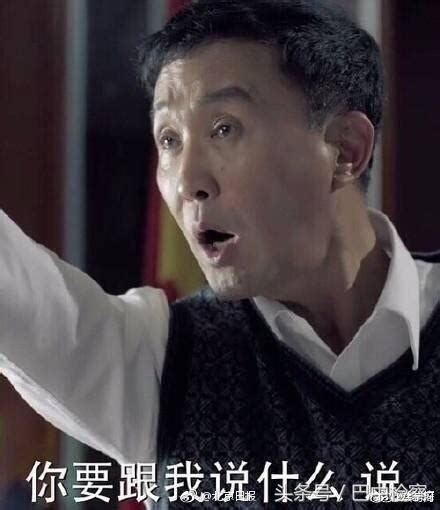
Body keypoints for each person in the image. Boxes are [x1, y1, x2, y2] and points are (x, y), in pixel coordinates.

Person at [1, 0, 439, 508]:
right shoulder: (164, 362)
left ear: (345, 150)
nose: (186, 181)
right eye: (169, 139)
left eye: (224, 128)